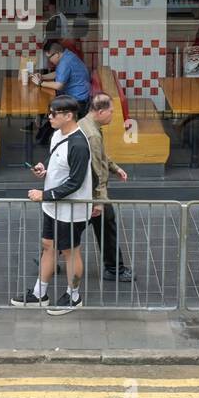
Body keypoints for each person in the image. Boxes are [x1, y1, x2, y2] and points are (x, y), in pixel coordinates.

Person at [11, 94, 94, 316]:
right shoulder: (58, 134)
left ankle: (73, 297)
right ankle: (40, 293)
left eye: (53, 113)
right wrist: (44, 168)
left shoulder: (79, 144)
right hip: (54, 207)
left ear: (68, 116)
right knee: (48, 244)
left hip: (71, 210)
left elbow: (75, 182)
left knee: (70, 252)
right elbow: (57, 160)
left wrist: (44, 194)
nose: (49, 117)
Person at [77, 92, 133, 283]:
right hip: (93, 193)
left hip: (85, 190)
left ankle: (48, 254)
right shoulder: (93, 134)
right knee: (106, 224)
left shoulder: (85, 124)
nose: (113, 114)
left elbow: (100, 157)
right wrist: (100, 200)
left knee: (75, 226)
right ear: (100, 112)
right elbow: (97, 168)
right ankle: (114, 269)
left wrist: (115, 167)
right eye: (111, 111)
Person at [35, 40, 91, 117]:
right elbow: (58, 73)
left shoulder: (65, 62)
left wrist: (40, 83)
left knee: (47, 103)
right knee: (48, 101)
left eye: (49, 57)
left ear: (57, 54)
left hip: (77, 102)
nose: (49, 60)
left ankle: (44, 125)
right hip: (80, 97)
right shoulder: (67, 55)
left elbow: (59, 85)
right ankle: (46, 126)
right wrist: (42, 77)